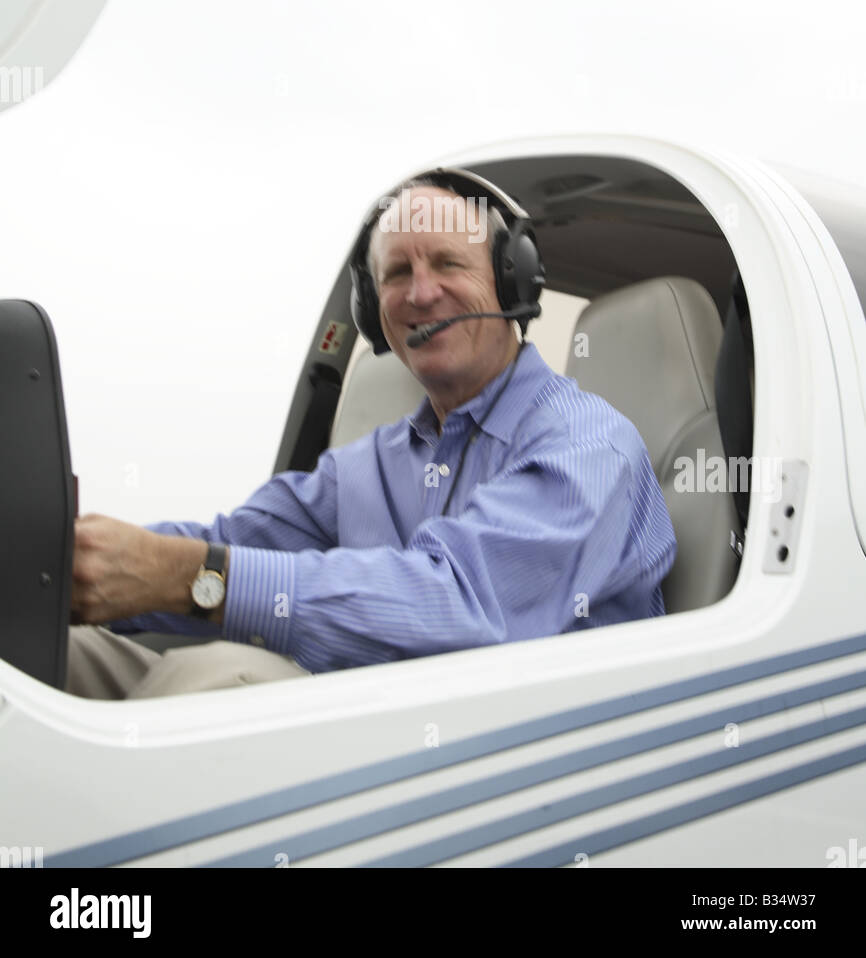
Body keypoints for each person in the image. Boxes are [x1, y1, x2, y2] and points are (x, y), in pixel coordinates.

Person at [66, 171, 676, 698]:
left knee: (224, 678)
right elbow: (228, 542)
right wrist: (69, 564)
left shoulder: (589, 447)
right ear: (371, 309)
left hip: (511, 759)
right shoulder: (364, 467)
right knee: (63, 653)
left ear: (512, 283)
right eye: (396, 273)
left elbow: (460, 604)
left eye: (447, 263)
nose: (420, 292)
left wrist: (198, 580)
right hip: (371, 736)